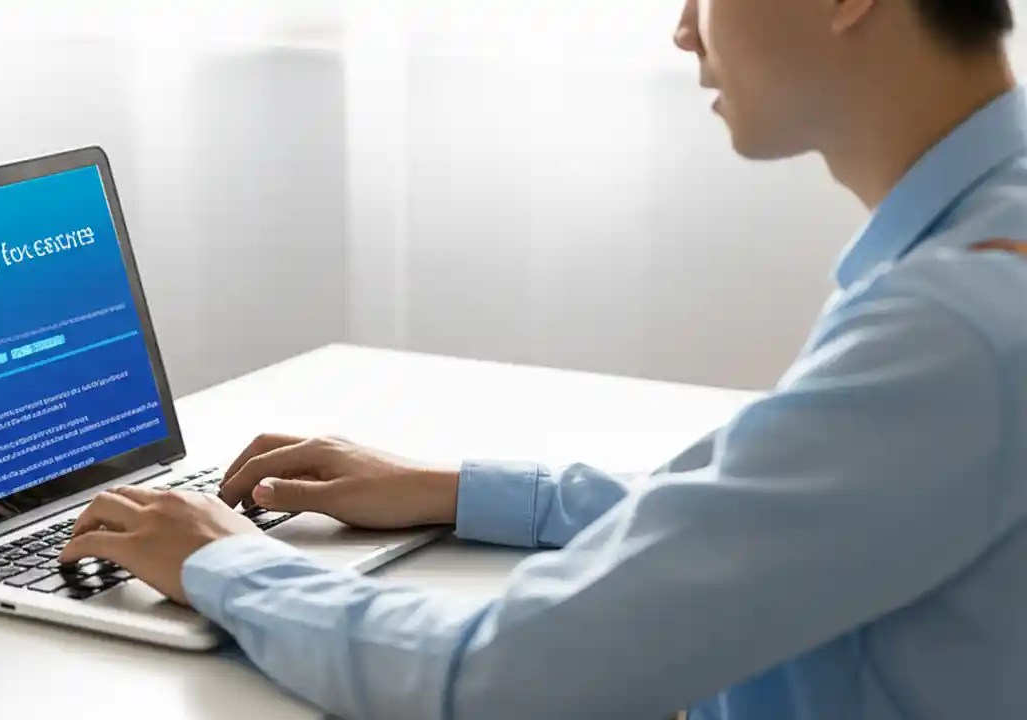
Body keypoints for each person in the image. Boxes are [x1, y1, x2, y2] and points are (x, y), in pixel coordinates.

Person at [60, 0, 1027, 717]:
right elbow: (786, 514)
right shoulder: (989, 243)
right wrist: (455, 488)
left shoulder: (949, 331)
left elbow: (497, 677)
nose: (685, 30)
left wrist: (227, 562)